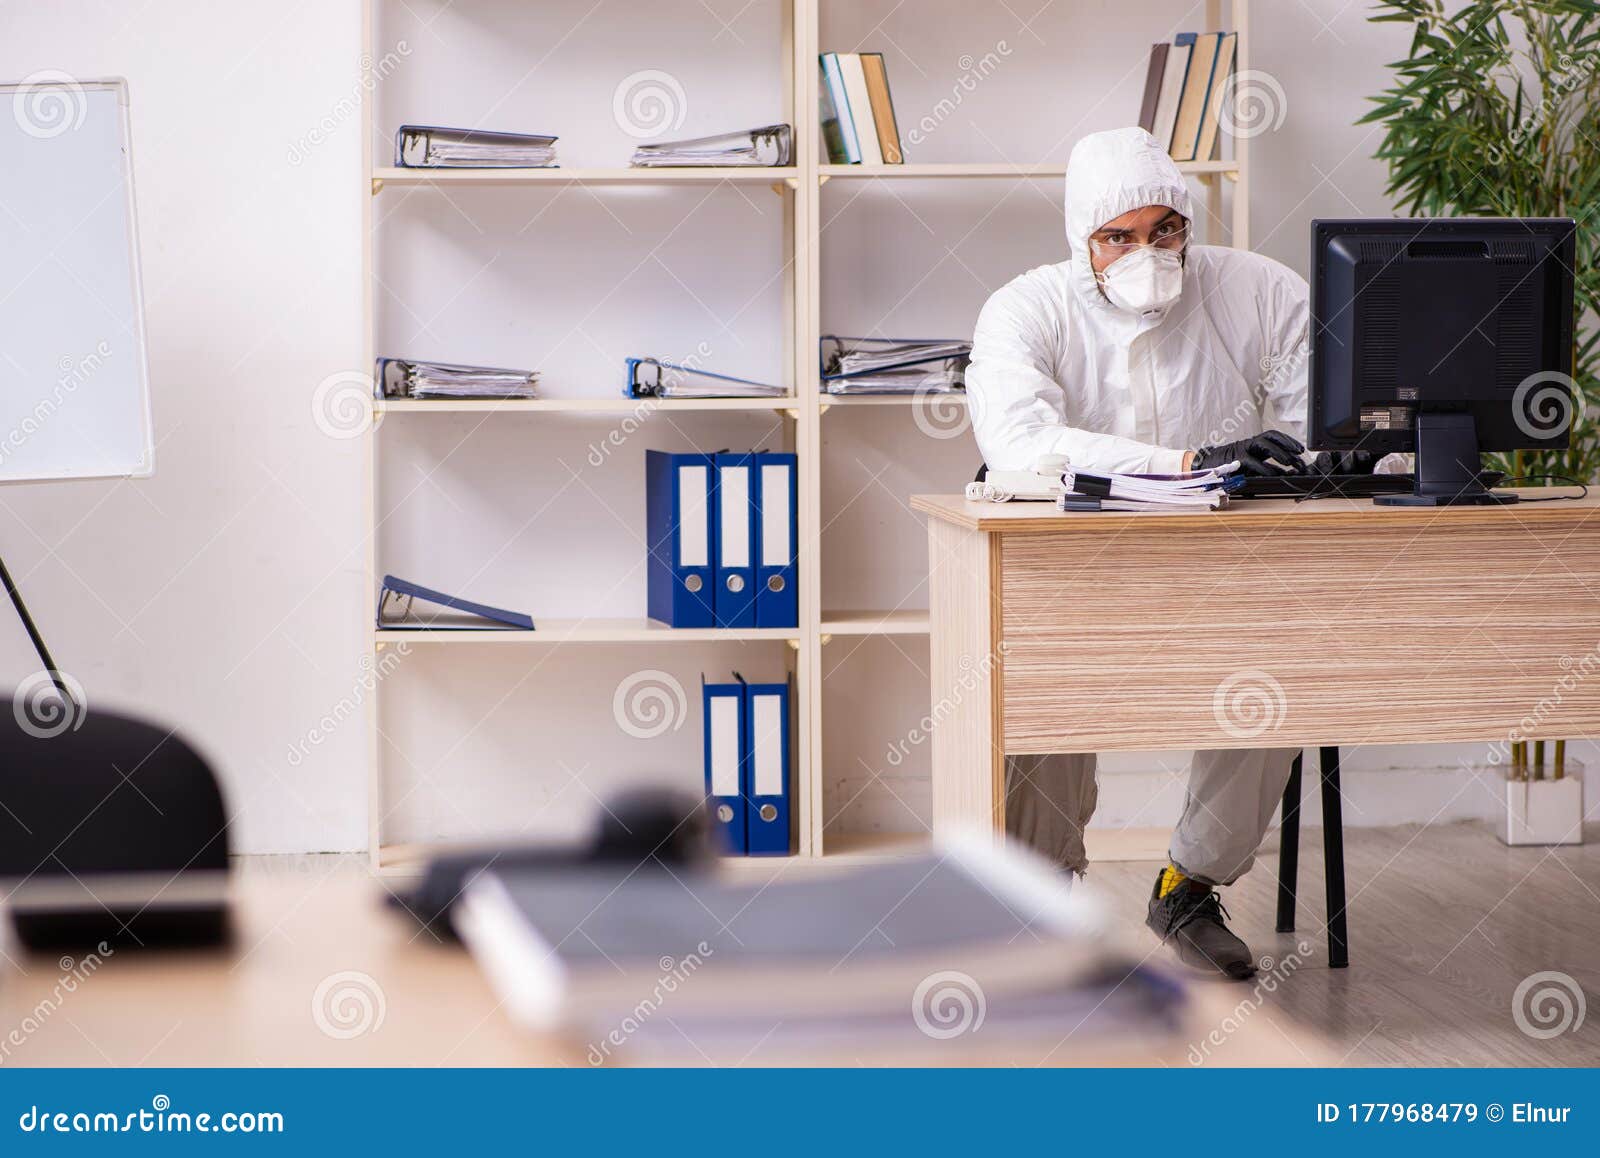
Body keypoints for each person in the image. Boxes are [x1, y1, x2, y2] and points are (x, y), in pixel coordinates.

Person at [965, 126, 1319, 980]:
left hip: (1225, 561)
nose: (1145, 252)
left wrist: (1287, 461)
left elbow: (1325, 421)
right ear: (1081, 237)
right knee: (1031, 678)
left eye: (1164, 230)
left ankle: (1188, 886)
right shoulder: (1027, 307)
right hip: (1075, 565)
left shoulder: (1260, 289)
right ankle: (1041, 895)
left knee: (1276, 670)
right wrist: (1189, 464)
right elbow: (1019, 445)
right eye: (1118, 236)